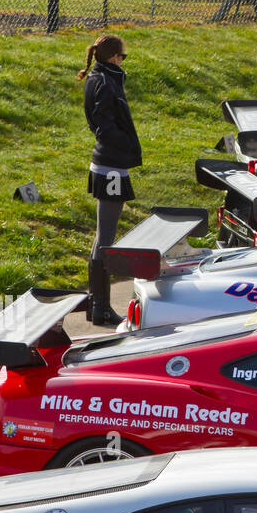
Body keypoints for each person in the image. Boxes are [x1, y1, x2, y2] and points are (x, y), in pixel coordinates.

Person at [78, 34, 142, 326]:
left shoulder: (100, 78)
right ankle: (101, 306)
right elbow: (104, 126)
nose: (123, 61)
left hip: (109, 163)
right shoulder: (104, 82)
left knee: (103, 236)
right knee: (107, 238)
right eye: (122, 56)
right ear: (114, 57)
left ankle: (97, 305)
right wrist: (127, 145)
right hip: (111, 166)